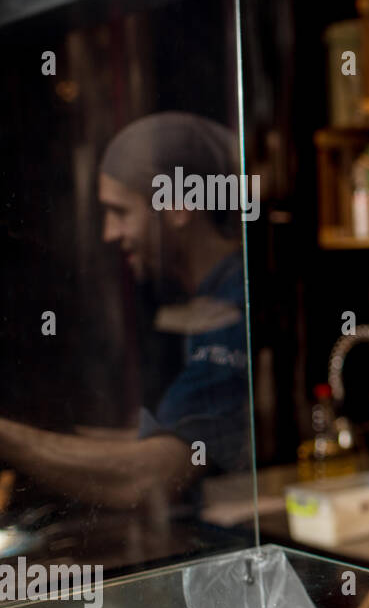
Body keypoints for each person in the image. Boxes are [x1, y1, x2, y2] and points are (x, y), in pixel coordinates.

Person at [0, 112, 249, 515]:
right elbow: (162, 437)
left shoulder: (231, 307)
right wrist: (37, 441)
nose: (109, 233)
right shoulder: (207, 297)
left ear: (178, 208)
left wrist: (11, 440)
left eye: (120, 212)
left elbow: (152, 475)